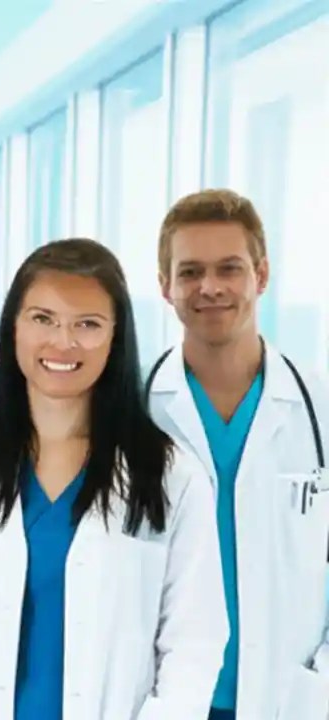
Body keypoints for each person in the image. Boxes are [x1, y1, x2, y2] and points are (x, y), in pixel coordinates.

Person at [0, 238, 227, 719]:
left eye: (88, 325)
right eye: (43, 319)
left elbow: (193, 644)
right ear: (13, 327)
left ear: (117, 338)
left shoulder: (169, 476)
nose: (63, 342)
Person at [145, 190, 329, 720]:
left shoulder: (318, 409)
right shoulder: (132, 415)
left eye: (229, 268)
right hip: (166, 697)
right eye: (190, 272)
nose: (210, 288)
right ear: (165, 285)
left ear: (261, 275)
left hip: (289, 696)